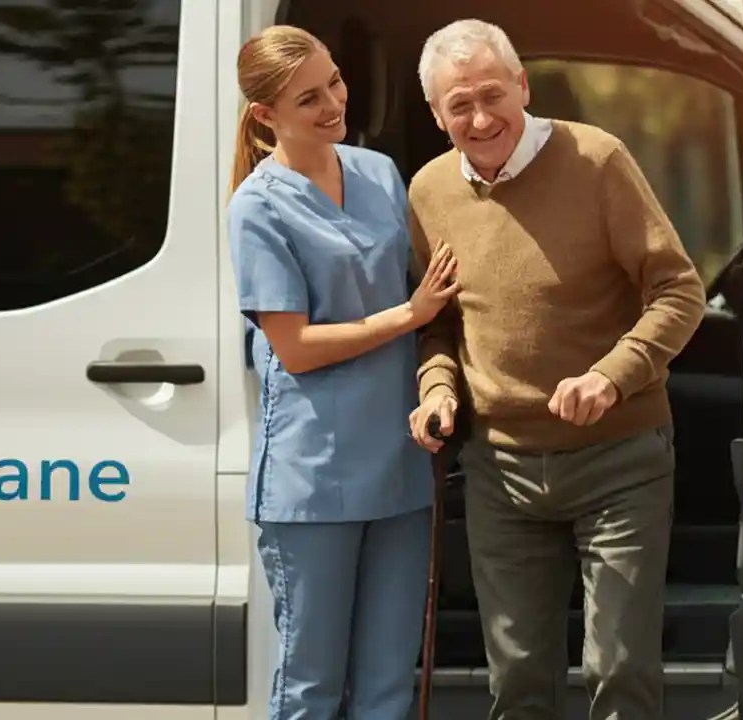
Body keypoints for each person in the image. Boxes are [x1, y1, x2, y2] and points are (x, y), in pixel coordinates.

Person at [406, 18, 707, 720]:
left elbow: (679, 290)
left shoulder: (597, 159)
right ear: (435, 114)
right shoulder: (427, 193)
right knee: (515, 684)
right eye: (460, 104)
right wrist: (438, 391)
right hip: (500, 473)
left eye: (492, 94)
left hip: (619, 461)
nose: (481, 118)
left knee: (620, 671)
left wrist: (611, 375)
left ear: (522, 86)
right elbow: (440, 325)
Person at [226, 25, 460, 720]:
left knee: (389, 689)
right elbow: (294, 348)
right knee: (311, 690)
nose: (333, 103)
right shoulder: (257, 208)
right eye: (309, 99)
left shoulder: (378, 173)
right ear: (266, 116)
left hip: (398, 468)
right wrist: (409, 315)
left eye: (334, 81)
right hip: (313, 481)